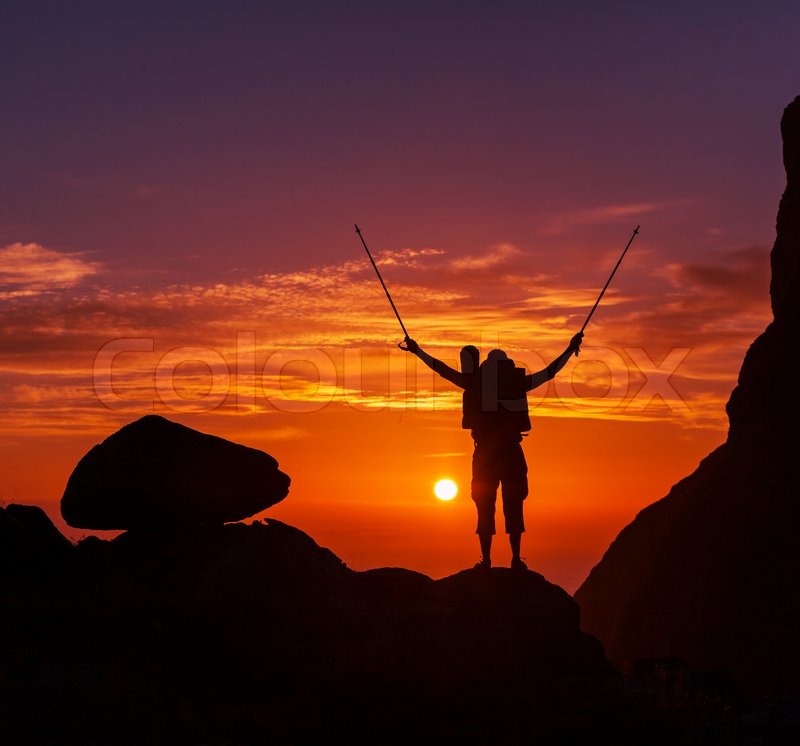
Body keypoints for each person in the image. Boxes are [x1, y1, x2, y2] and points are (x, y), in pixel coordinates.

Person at [403, 332, 584, 570]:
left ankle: (486, 560)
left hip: (485, 455)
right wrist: (571, 349)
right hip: (512, 452)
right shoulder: (518, 382)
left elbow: (442, 369)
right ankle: (516, 559)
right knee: (514, 504)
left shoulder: (475, 382)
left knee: (484, 504)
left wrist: (417, 351)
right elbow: (550, 372)